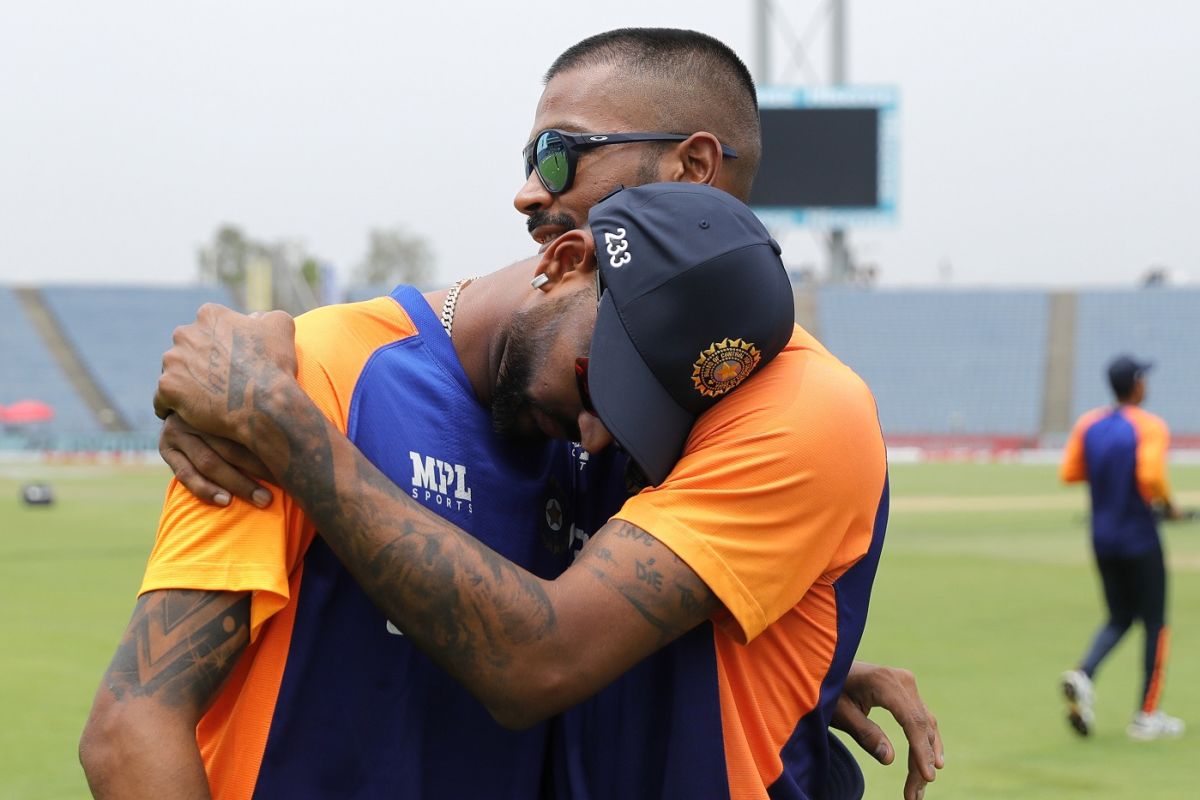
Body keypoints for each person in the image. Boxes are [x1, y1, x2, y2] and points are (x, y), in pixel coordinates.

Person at [111, 28, 943, 799]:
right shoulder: (330, 368)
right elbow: (132, 724)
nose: (526, 193)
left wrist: (284, 430)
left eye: (563, 154)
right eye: (533, 155)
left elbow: (541, 652)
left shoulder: (778, 400)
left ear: (691, 166)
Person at [1059, 353, 1185, 741]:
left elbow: (1070, 472)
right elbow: (1151, 476)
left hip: (1102, 537)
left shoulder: (1089, 424)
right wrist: (1170, 507)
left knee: (1119, 616)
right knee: (1156, 623)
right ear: (1136, 384)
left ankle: (1084, 674)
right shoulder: (1149, 426)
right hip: (1140, 538)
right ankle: (1147, 715)